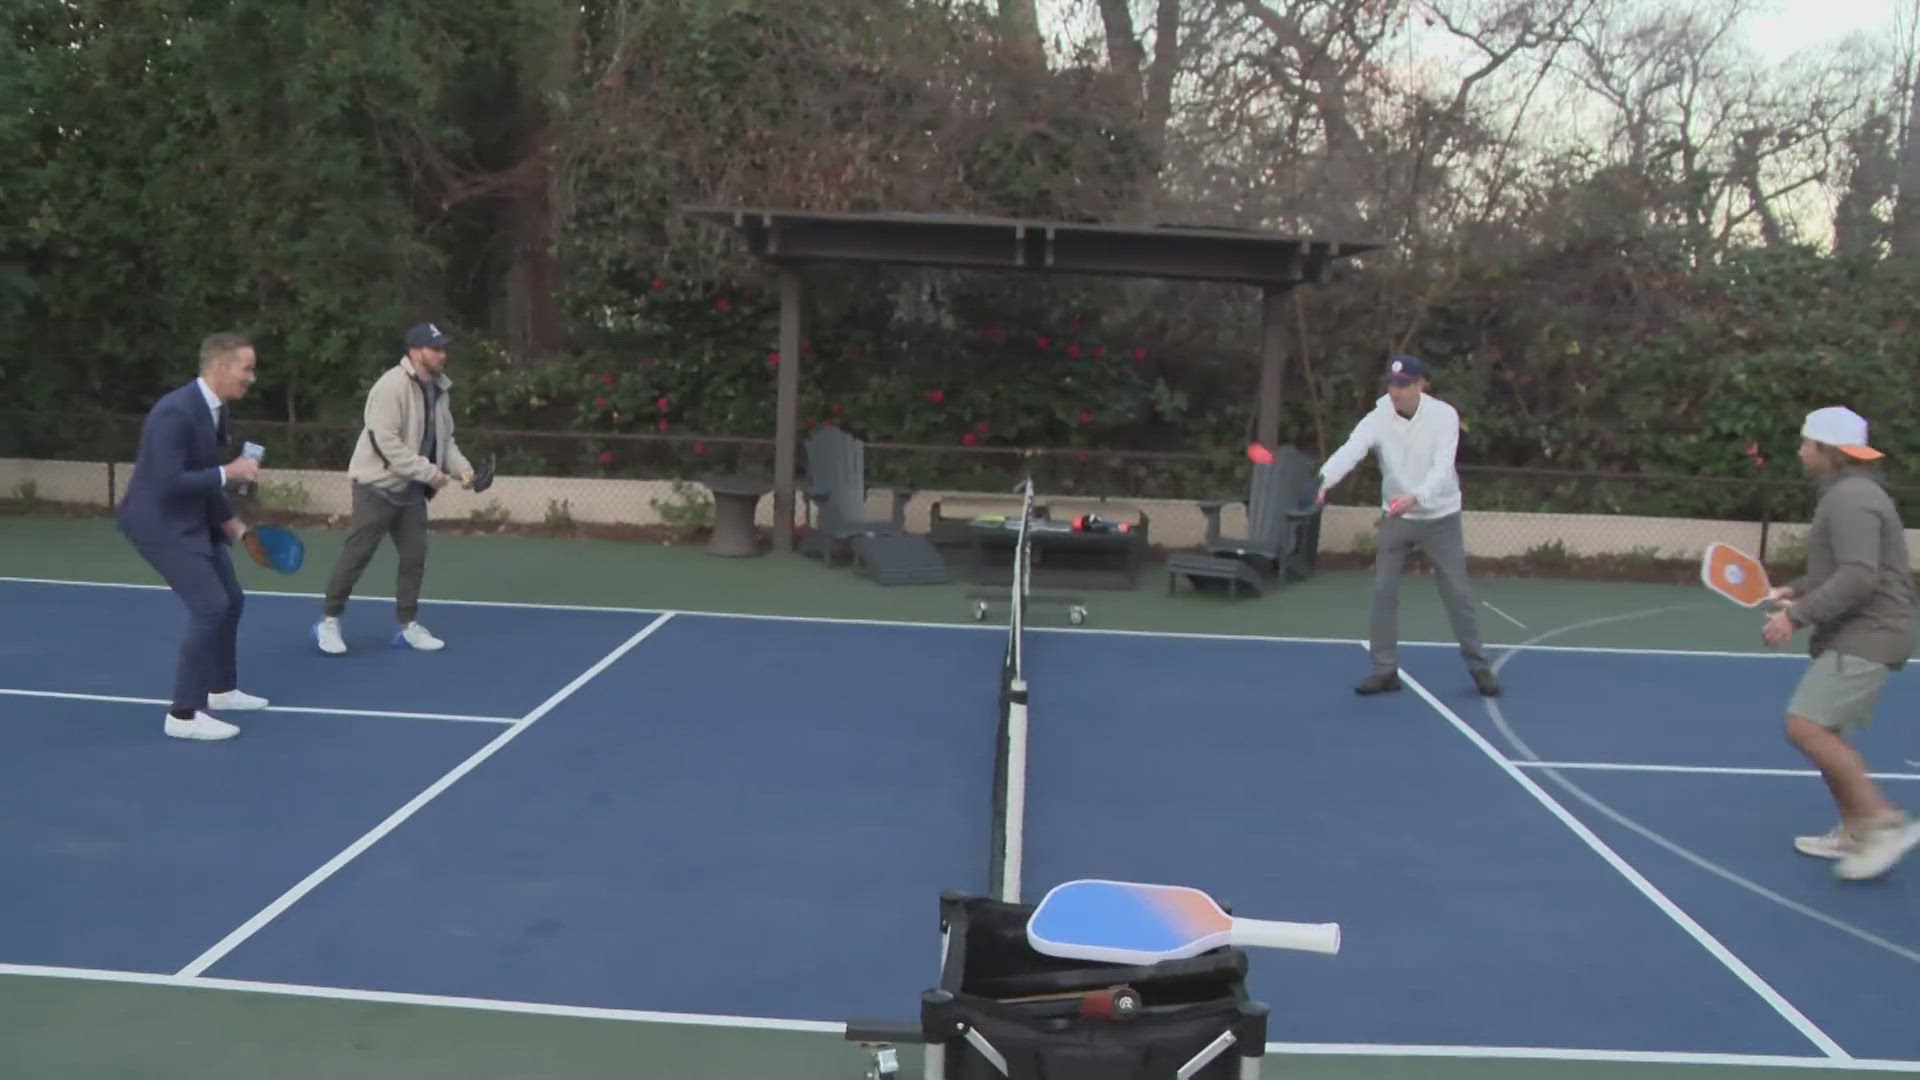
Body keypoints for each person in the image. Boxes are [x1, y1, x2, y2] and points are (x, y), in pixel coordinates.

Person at [1761, 406, 1919, 881]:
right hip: (1865, 630)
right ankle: (1855, 830)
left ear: (1827, 452)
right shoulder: (1850, 494)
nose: (1800, 449)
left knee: (1805, 727)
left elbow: (1858, 576)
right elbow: (1846, 564)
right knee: (1823, 730)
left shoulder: (1850, 499)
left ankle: (1878, 821)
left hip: (1869, 632)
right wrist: (1796, 588)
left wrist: (1795, 616)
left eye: (1806, 442)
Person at [1315, 355, 1500, 697]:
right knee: (1383, 592)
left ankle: (1479, 667)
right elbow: (1352, 448)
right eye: (1391, 384)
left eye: (1403, 385)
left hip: (1440, 516)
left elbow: (1443, 467)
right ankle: (1383, 670)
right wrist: (1324, 479)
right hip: (1396, 518)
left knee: (1458, 594)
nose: (1395, 391)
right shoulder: (1378, 416)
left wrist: (1417, 496)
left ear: (1420, 385)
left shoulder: (1444, 416)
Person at [115, 332, 270, 740]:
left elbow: (201, 476)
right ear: (220, 367)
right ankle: (183, 715)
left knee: (231, 599)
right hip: (158, 523)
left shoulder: (217, 410)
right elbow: (166, 481)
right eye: (247, 368)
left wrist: (231, 524)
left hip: (193, 518)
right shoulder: (175, 412)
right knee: (210, 607)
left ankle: (221, 690)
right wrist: (228, 473)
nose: (251, 378)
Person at [312, 322, 474, 655]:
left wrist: (462, 468)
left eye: (444, 348)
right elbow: (387, 445)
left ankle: (407, 625)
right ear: (416, 352)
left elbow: (445, 440)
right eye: (436, 348)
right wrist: (431, 473)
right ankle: (328, 622)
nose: (443, 354)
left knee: (414, 557)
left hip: (412, 490)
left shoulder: (439, 391)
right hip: (377, 485)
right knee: (358, 555)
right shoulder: (390, 387)